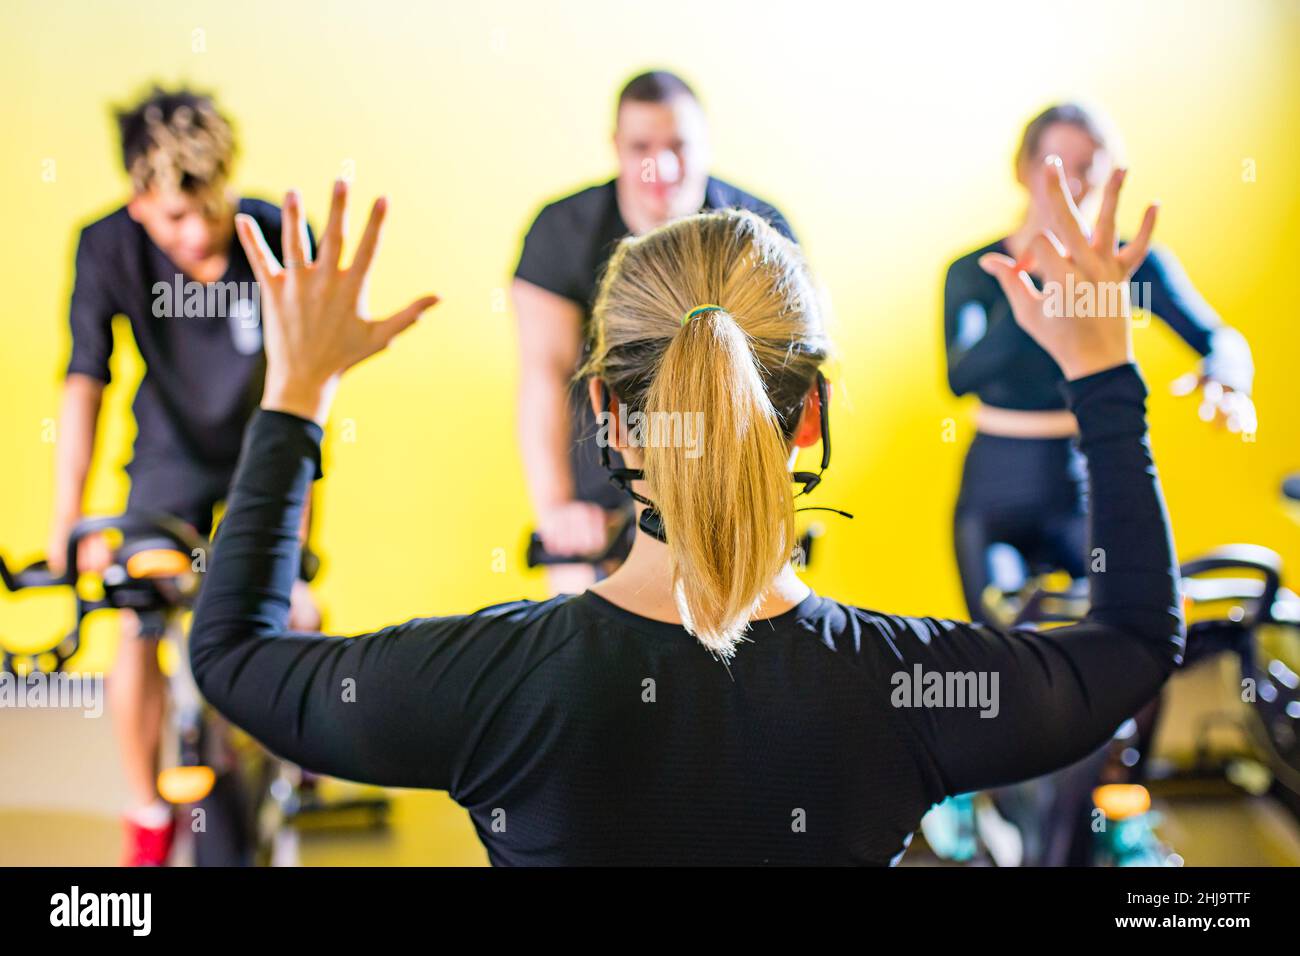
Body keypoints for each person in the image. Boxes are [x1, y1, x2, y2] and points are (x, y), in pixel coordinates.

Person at [190, 162, 1182, 866]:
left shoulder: (485, 683)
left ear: (608, 419)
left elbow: (232, 655)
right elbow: (1136, 640)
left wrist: (297, 393)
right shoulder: (908, 690)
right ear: (811, 420)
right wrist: (1103, 372)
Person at [44, 87, 320, 865]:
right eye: (174, 219)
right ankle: (146, 810)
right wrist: (69, 519)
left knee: (286, 611)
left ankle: (276, 769)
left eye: (208, 210)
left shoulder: (271, 235)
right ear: (138, 203)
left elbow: (308, 386)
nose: (197, 235)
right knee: (137, 615)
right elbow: (83, 381)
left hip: (266, 444)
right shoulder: (104, 246)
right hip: (169, 453)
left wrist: (295, 553)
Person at [944, 102, 1255, 622]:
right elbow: (960, 375)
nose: (1073, 185)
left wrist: (1227, 379)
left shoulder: (1130, 264)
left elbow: (1219, 337)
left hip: (1089, 476)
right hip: (994, 487)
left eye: (1090, 168)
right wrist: (1038, 278)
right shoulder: (976, 271)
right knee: (1000, 643)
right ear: (1024, 170)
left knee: (1129, 633)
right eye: (1057, 167)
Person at [513, 70, 796, 594]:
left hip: (724, 481)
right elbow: (543, 375)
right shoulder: (562, 231)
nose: (661, 166)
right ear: (617, 148)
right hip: (601, 481)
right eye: (642, 146)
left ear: (705, 144)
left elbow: (786, 377)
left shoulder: (758, 229)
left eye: (679, 146)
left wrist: (770, 501)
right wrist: (557, 509)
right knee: (584, 633)